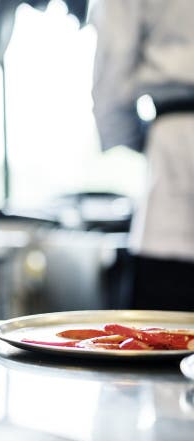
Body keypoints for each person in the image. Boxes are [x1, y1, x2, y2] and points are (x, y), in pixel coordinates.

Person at [92, 0, 194, 310]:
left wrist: (141, 141)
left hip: (177, 150)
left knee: (162, 337)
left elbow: (113, 74)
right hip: (175, 139)